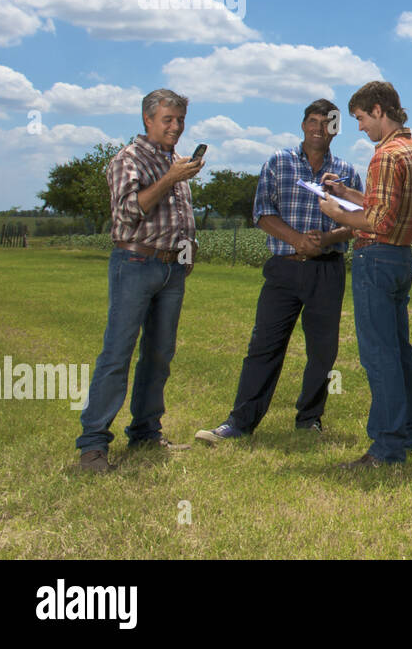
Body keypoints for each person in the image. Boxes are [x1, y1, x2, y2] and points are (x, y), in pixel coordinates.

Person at [195, 100, 362, 445]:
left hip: (326, 271)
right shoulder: (278, 162)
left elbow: (359, 221)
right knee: (264, 346)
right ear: (303, 125)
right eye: (313, 121)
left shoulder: (346, 172)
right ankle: (240, 422)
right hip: (283, 271)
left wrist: (327, 237)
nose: (319, 128)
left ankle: (309, 420)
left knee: (323, 351)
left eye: (327, 123)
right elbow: (262, 213)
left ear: (335, 129)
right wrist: (298, 240)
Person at [77, 88, 203, 473]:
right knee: (118, 354)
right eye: (168, 119)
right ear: (147, 119)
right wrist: (170, 177)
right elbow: (131, 210)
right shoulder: (127, 159)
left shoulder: (173, 162)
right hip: (135, 262)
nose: (176, 127)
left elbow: (176, 216)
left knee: (160, 354)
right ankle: (94, 445)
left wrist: (187, 250)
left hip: (171, 268)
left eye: (180, 120)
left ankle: (146, 430)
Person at [318, 81, 412, 468]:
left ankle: (385, 448)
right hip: (401, 260)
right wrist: (347, 193)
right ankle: (407, 434)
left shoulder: (384, 156)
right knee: (400, 351)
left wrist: (336, 214)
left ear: (379, 110)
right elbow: (388, 206)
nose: (361, 127)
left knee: (378, 356)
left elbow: (377, 220)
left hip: (376, 258)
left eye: (362, 118)